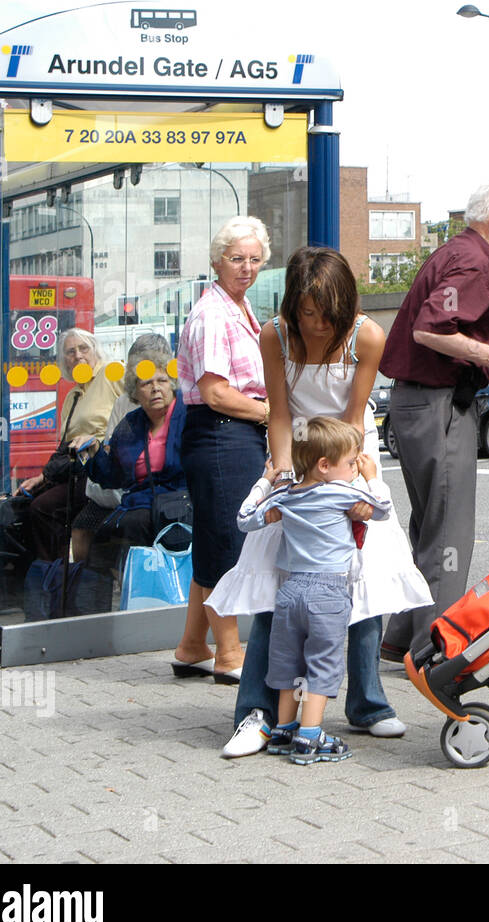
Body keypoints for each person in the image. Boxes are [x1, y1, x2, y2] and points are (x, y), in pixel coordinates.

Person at [214, 247, 430, 758]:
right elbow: (280, 414)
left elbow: (355, 418)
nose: (314, 324)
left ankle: (368, 703)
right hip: (293, 460)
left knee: (359, 580)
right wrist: (287, 478)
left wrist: (352, 486)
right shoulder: (275, 334)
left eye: (325, 314)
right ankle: (258, 714)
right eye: (306, 312)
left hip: (349, 458)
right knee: (277, 582)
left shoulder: (367, 336)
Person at [377, 177, 489, 661]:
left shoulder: (458, 253)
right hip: (438, 401)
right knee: (449, 529)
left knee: (429, 524)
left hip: (419, 400)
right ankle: (434, 650)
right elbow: (430, 329)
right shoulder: (473, 260)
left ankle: (403, 634)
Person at [236, 417, 393, 764]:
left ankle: (284, 729)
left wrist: (264, 482)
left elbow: (245, 519)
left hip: (290, 591)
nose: (355, 468)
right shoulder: (344, 492)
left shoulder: (285, 495)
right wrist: (373, 479)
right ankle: (310, 736)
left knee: (288, 661)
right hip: (328, 592)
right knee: (322, 662)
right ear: (324, 465)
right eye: (351, 463)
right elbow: (383, 510)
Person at [175, 216, 272, 683]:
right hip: (221, 430)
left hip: (229, 430)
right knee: (230, 542)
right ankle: (229, 654)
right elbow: (215, 392)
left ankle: (192, 646)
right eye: (237, 259)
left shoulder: (239, 306)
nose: (246, 267)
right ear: (217, 261)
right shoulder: (214, 313)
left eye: (254, 259)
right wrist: (271, 413)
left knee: (215, 536)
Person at [15, 328, 122, 563]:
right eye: (70, 352)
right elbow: (64, 448)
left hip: (104, 470)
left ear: (95, 350)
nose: (78, 356)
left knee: (43, 508)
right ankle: (54, 573)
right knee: (27, 504)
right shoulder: (73, 395)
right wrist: (42, 478)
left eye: (83, 348)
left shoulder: (111, 375)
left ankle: (56, 576)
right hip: (78, 470)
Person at [78, 346, 189, 567]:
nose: (156, 388)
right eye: (146, 383)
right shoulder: (130, 424)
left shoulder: (188, 414)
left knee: (130, 527)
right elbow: (113, 477)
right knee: (104, 539)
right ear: (135, 393)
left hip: (183, 503)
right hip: (140, 505)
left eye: (162, 381)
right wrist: (94, 453)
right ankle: (112, 596)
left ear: (172, 384)